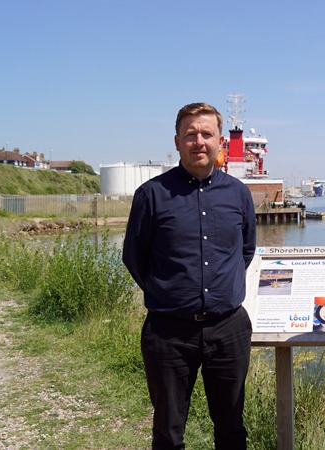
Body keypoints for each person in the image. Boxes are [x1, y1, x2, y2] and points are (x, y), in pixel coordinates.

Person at [122, 102, 256, 449]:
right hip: (168, 332)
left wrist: (220, 289)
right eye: (190, 134)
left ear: (220, 141)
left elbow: (245, 251)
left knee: (231, 427)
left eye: (206, 134)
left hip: (228, 329)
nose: (199, 141)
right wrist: (172, 292)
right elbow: (134, 257)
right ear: (177, 141)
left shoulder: (238, 194)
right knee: (168, 430)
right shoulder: (152, 195)